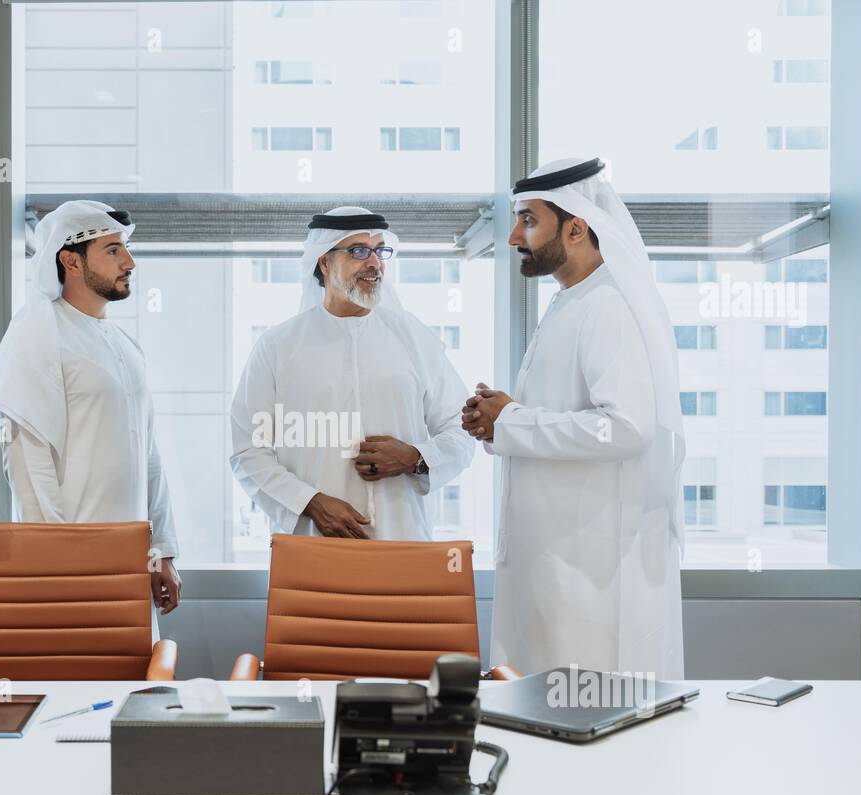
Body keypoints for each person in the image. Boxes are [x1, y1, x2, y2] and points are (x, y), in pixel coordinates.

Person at [463, 158, 686, 678]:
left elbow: (627, 426)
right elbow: (564, 415)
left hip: (594, 574)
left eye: (529, 220)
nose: (515, 235)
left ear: (577, 227)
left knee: (589, 725)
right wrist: (498, 420)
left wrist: (512, 421)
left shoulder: (609, 306)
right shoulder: (572, 302)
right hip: (558, 563)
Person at [230, 206, 474, 540]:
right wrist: (310, 503)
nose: (374, 263)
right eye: (359, 251)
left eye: (379, 251)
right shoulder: (277, 345)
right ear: (325, 261)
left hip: (402, 538)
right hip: (312, 542)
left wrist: (416, 458)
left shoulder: (414, 338)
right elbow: (248, 451)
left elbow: (461, 432)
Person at [0, 200, 181, 619]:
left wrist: (163, 550)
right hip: (70, 570)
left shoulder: (124, 345)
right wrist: (63, 564)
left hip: (131, 564)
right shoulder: (34, 336)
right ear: (70, 261)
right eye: (113, 251)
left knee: (135, 682)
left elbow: (148, 456)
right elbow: (27, 464)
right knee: (74, 681)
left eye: (126, 249)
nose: (129, 262)